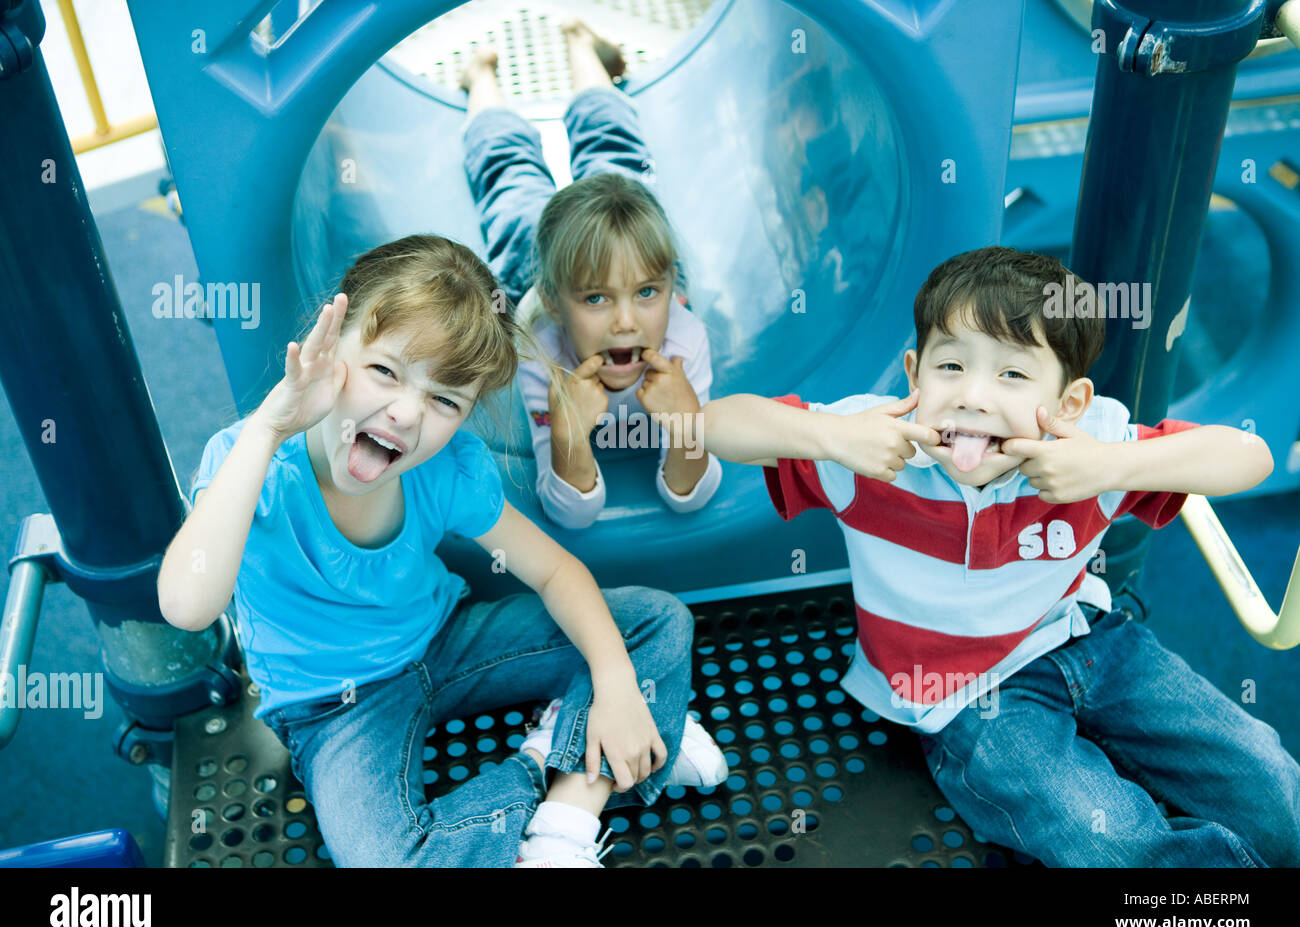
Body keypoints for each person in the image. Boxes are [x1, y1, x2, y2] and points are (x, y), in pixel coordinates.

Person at [699, 245, 1300, 866]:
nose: (974, 397)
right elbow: (711, 424)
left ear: (1069, 405)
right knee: (1108, 838)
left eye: (1012, 375)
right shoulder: (867, 448)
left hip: (1091, 643)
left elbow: (1251, 456)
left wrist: (1113, 464)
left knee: (1274, 796)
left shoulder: (1088, 448)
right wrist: (829, 436)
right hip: (964, 693)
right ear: (914, 375)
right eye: (951, 366)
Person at [156, 234, 721, 868]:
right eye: (384, 372)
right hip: (335, 707)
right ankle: (548, 759)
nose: (403, 413)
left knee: (655, 619)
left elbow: (557, 569)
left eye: (445, 400)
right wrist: (268, 427)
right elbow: (186, 606)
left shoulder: (445, 467)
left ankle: (569, 814)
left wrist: (616, 684)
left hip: (446, 642)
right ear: (330, 342)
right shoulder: (251, 460)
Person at [460, 18, 722, 529]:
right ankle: (480, 76)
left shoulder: (684, 340)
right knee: (510, 177)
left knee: (614, 150)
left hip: (615, 247)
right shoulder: (544, 354)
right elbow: (571, 514)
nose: (626, 322)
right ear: (560, 305)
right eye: (596, 300)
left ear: (667, 284)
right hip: (527, 269)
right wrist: (568, 431)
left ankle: (581, 43)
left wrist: (688, 425)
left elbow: (691, 497)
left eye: (648, 293)